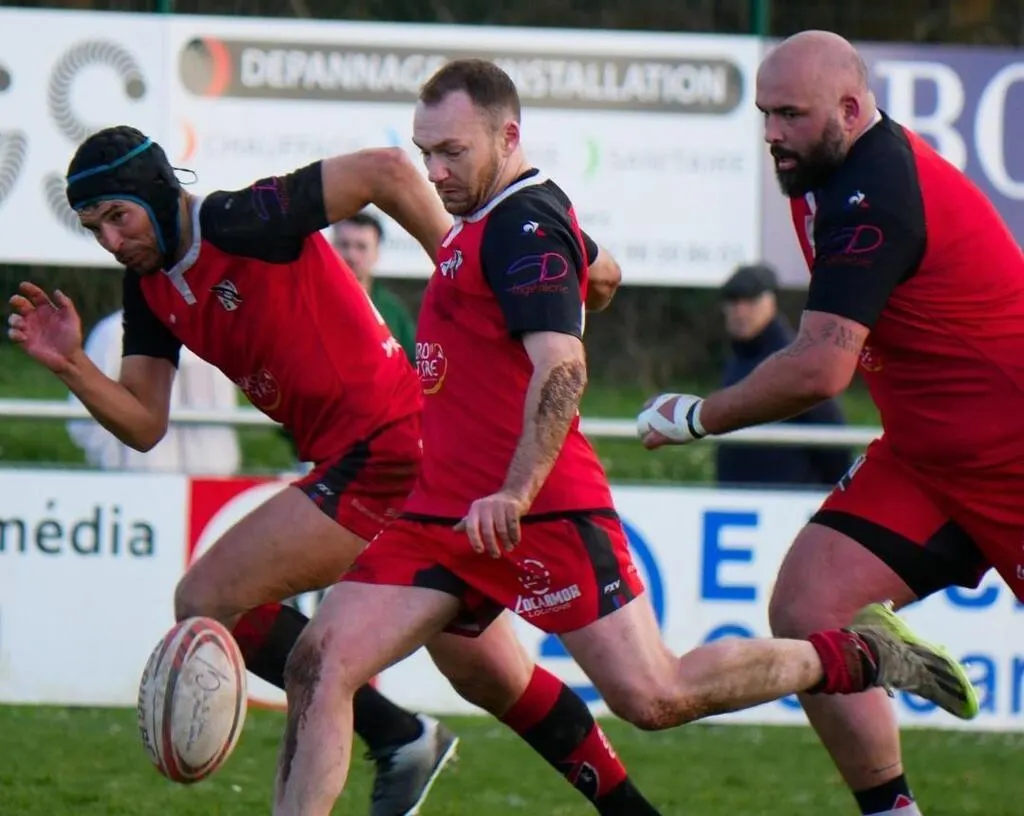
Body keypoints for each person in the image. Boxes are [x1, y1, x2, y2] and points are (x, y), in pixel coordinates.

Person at [270, 58, 977, 816]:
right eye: (424, 152)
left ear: (508, 136)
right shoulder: (503, 217)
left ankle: (858, 655)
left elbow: (564, 368)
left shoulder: (522, 225)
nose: (434, 171)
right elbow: (601, 271)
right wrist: (592, 274)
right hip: (441, 514)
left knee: (655, 695)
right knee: (321, 660)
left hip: (538, 510)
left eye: (452, 152)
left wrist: (515, 487)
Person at [7, 126, 659, 816]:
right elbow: (143, 423)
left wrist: (462, 262)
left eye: (118, 216)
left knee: (207, 599)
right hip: (394, 456)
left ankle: (399, 737)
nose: (110, 239)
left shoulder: (243, 219)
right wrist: (72, 365)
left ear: (156, 193)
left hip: (387, 448)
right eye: (93, 227)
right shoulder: (149, 289)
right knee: (491, 675)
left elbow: (382, 169)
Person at [635, 28, 1024, 816]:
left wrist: (696, 417)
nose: (772, 133)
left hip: (1015, 456)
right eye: (763, 113)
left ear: (850, 108)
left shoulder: (875, 193)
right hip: (927, 459)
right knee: (806, 608)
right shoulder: (818, 169)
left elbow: (819, 368)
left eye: (790, 114)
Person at [716, 262, 851, 488]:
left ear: (771, 302)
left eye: (750, 301)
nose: (740, 312)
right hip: (740, 506)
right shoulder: (737, 359)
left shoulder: (795, 359)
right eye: (733, 302)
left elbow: (834, 444)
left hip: (789, 506)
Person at [67, 307, 242, 474]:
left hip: (210, 482)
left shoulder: (213, 330)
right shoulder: (114, 333)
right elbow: (83, 421)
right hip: (136, 480)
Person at [331, 211, 417, 363]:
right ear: (331, 247)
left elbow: (413, 365)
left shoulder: (393, 311)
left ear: (377, 252)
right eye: (344, 244)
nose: (351, 255)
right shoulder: (310, 300)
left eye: (361, 247)